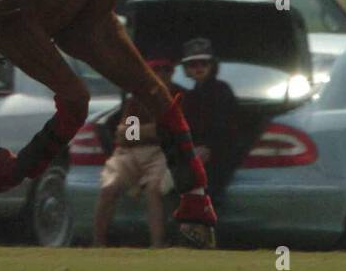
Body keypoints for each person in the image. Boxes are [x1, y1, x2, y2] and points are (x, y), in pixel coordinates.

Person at [94, 57, 176, 248]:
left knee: (153, 189)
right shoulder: (137, 98)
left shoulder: (180, 96)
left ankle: (157, 245)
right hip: (130, 153)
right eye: (156, 70)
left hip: (163, 153)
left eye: (167, 70)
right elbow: (125, 136)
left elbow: (176, 132)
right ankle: (97, 244)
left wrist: (141, 131)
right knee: (109, 187)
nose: (161, 75)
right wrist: (154, 130)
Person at [178, 38, 238, 197]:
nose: (199, 68)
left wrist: (209, 148)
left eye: (204, 63)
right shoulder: (188, 97)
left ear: (212, 66)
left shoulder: (222, 91)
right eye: (193, 64)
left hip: (219, 159)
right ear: (186, 69)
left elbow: (228, 127)